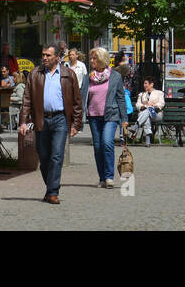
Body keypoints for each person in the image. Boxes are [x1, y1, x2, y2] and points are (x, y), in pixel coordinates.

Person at [18, 45, 82, 204]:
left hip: (61, 119)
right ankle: (50, 188)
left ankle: (53, 192)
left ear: (57, 58)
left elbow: (77, 102)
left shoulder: (69, 74)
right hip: (41, 119)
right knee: (44, 156)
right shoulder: (35, 74)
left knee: (57, 156)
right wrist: (23, 121)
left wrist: (76, 124)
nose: (45, 58)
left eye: (48, 55)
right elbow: (27, 99)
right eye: (43, 55)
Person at [81, 47, 128, 188]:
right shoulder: (88, 77)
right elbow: (82, 98)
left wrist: (124, 119)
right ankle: (102, 178)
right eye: (91, 58)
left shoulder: (115, 76)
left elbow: (120, 98)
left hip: (110, 115)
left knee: (107, 143)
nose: (92, 61)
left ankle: (109, 177)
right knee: (98, 147)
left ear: (102, 59)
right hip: (93, 116)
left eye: (94, 58)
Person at [134, 76, 165, 146]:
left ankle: (136, 126)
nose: (144, 85)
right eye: (144, 83)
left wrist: (154, 105)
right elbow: (138, 104)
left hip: (156, 114)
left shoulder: (159, 93)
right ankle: (148, 141)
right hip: (145, 114)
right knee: (146, 117)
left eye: (146, 83)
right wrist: (145, 106)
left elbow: (161, 103)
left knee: (148, 110)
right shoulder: (142, 94)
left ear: (151, 84)